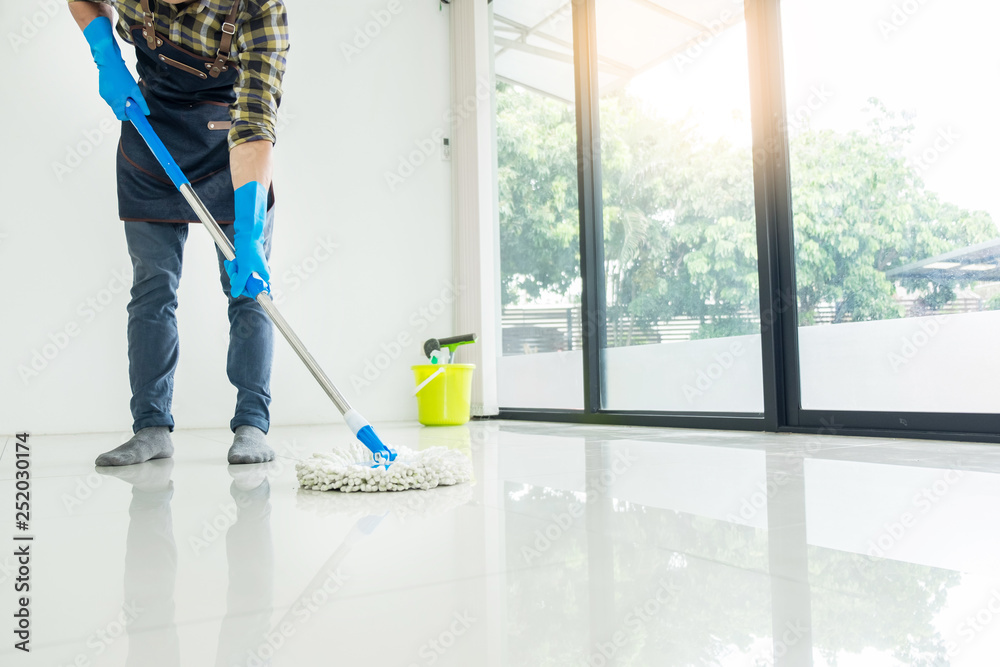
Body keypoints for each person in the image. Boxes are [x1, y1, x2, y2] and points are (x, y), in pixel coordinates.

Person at [67, 0, 289, 466]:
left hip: (230, 145)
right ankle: (150, 429)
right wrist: (105, 56)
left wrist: (247, 235)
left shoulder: (258, 8)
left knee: (248, 292)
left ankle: (252, 426)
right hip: (150, 131)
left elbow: (255, 125)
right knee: (151, 288)